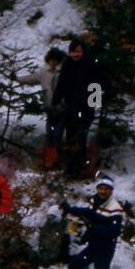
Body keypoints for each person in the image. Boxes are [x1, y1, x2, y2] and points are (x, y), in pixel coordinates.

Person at [63, 175, 126, 269]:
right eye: (101, 188)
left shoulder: (115, 208)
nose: (103, 191)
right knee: (74, 266)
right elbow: (88, 213)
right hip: (93, 245)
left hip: (105, 248)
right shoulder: (95, 201)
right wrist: (71, 209)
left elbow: (114, 232)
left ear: (111, 191)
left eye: (106, 189)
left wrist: (94, 228)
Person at [52, 39, 102, 178]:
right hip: (70, 107)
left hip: (85, 107)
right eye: (73, 52)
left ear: (83, 51)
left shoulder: (90, 64)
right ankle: (69, 168)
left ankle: (78, 168)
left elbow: (96, 85)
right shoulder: (67, 64)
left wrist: (93, 106)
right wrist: (55, 102)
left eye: (78, 51)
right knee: (69, 137)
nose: (75, 54)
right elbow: (61, 84)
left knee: (81, 138)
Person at [18, 47, 67, 168]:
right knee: (50, 132)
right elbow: (31, 79)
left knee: (58, 134)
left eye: (56, 60)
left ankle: (57, 159)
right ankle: (48, 158)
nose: (53, 63)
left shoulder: (65, 72)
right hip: (49, 108)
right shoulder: (43, 72)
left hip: (63, 109)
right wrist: (17, 78)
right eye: (51, 60)